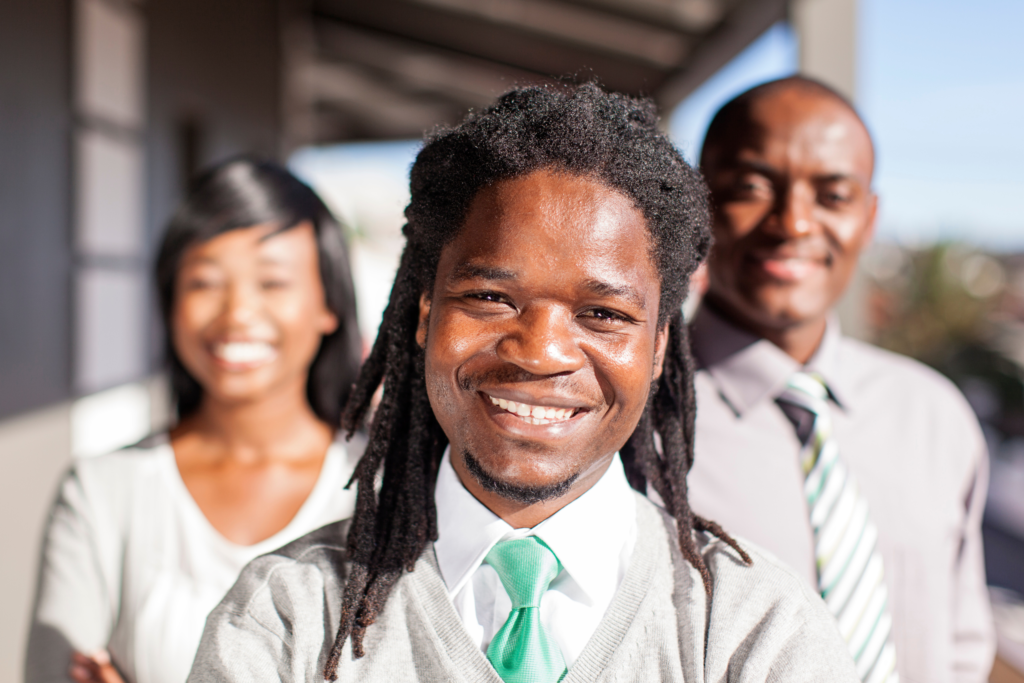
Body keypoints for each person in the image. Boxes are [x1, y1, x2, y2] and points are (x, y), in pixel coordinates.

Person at [186, 84, 859, 683]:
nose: (539, 353)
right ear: (426, 313)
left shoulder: (755, 631)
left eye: (602, 313)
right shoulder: (289, 616)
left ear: (657, 348)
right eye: (490, 297)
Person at [687, 76, 995, 683]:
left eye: (832, 195)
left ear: (869, 217)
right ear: (697, 204)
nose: (794, 223)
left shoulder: (932, 414)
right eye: (751, 187)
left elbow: (962, 641)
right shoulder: (632, 420)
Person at [26, 159, 365, 683]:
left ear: (329, 304)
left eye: (272, 282)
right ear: (170, 302)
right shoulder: (104, 491)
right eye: (204, 282)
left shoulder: (389, 488)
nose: (236, 314)